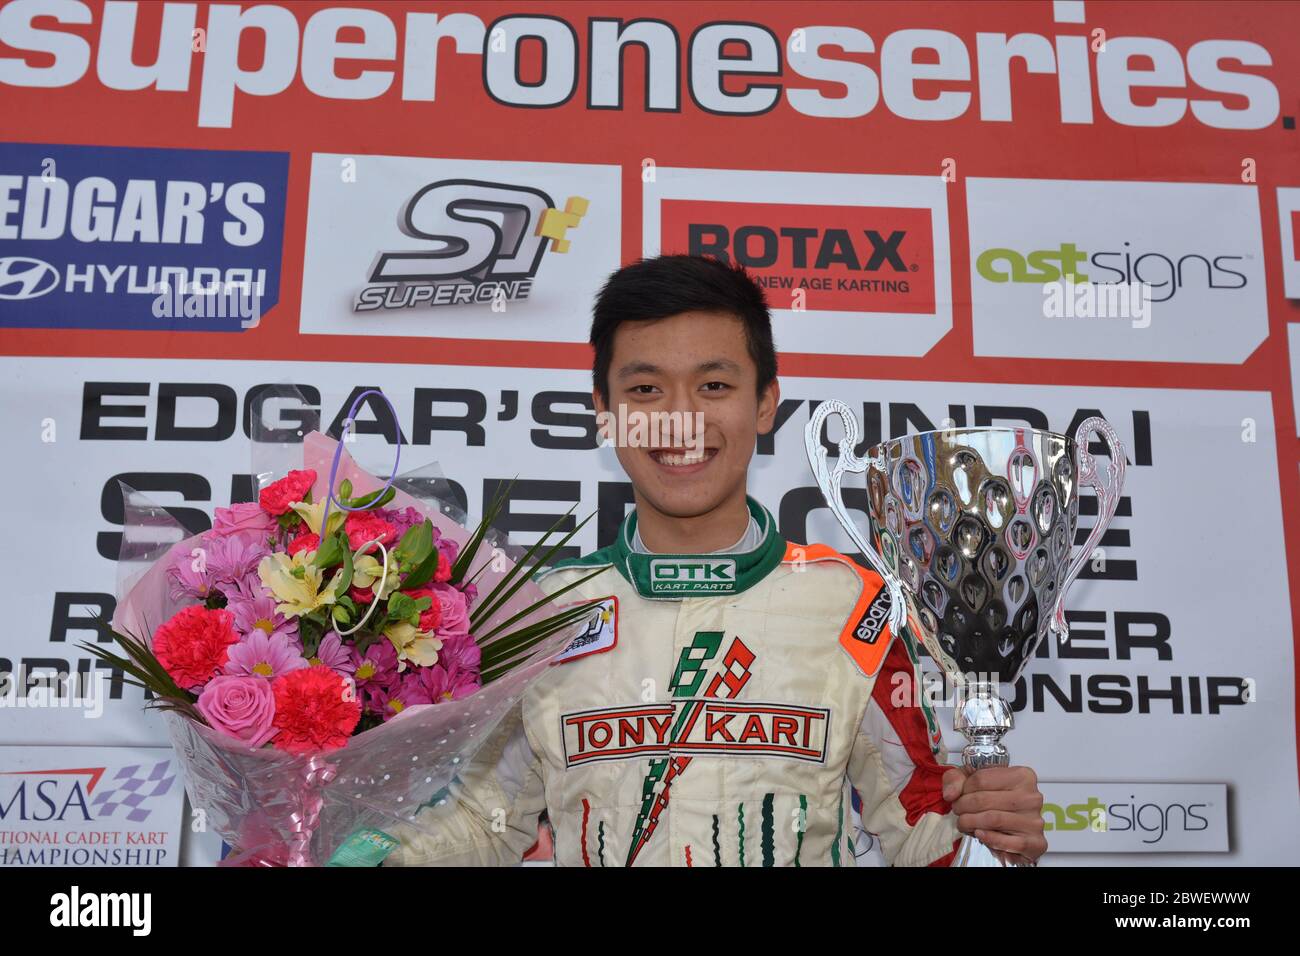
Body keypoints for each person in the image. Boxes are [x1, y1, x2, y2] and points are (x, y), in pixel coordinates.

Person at [353, 254, 1047, 867]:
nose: (680, 419)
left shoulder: (851, 605)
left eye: (713, 386)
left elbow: (920, 828)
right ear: (605, 410)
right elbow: (483, 823)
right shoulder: (544, 614)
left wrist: (988, 832)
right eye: (646, 389)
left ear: (766, 403)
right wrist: (354, 851)